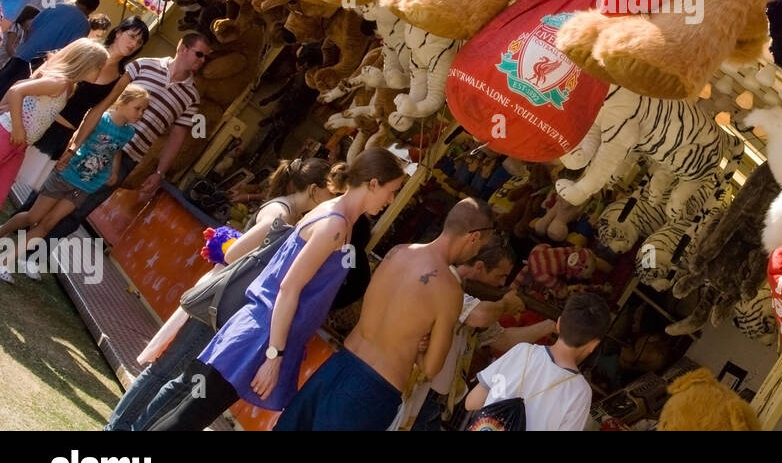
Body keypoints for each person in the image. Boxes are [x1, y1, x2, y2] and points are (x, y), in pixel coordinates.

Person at [144, 148, 406, 431]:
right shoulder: (334, 224)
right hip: (260, 335)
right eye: (392, 191)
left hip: (260, 333)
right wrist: (274, 355)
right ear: (374, 183)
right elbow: (288, 288)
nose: (391, 200)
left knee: (191, 414)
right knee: (189, 417)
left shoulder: (338, 219)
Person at [106, 157, 334, 431]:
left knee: (181, 379)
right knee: (169, 372)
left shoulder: (290, 215)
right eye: (329, 192)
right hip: (221, 303)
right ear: (313, 189)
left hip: (226, 305)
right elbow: (233, 252)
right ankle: (119, 427)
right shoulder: (281, 215)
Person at [273, 197, 496, 431]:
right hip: (373, 390)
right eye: (478, 248)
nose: (475, 252)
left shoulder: (397, 252)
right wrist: (417, 347)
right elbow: (431, 368)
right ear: (474, 237)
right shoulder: (449, 290)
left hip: (338, 364)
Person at [59, 32, 208, 234]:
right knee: (59, 187)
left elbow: (177, 136)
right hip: (101, 138)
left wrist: (159, 173)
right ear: (183, 49)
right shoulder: (144, 65)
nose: (202, 60)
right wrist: (83, 131)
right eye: (199, 54)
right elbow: (110, 98)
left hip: (130, 156)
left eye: (205, 56)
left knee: (82, 208)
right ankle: (22, 230)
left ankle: (37, 249)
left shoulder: (192, 96)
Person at [402, 240, 558, 431]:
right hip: (412, 389)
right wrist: (505, 305)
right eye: (500, 276)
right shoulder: (448, 284)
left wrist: (549, 326)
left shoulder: (476, 302)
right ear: (479, 267)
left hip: (433, 400)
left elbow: (504, 339)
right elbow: (480, 316)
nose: (502, 284)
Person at [0, 85, 148, 282]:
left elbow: (115, 150)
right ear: (122, 103)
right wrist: (65, 155)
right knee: (33, 216)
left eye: (143, 110)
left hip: (86, 185)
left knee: (48, 224)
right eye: (138, 108)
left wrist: (113, 170)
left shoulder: (128, 132)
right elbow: (78, 135)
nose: (141, 114)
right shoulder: (99, 119)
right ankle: (2, 231)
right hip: (65, 175)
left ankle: (5, 262)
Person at [14, 16, 149, 212]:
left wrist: (74, 147)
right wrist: (15, 101)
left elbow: (96, 113)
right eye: (131, 36)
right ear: (119, 32)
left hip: (62, 132)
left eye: (139, 42)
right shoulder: (87, 46)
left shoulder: (122, 77)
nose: (133, 44)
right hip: (35, 114)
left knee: (22, 177)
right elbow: (48, 69)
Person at [463, 291, 610, 432]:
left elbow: (472, 402)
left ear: (559, 324)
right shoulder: (579, 392)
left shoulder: (523, 351)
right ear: (593, 345)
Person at [0, 38, 109, 207]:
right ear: (86, 63)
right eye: (99, 67)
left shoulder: (68, 87)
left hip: (20, 144)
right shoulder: (59, 83)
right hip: (8, 134)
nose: (100, 72)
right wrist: (17, 125)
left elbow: (32, 97)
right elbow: (17, 90)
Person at [0, 0, 99, 94]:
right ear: (92, 10)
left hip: (24, 51)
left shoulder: (56, 6)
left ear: (78, 0)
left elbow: (30, 27)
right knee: (15, 93)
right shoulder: (84, 26)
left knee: (3, 82)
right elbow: (71, 51)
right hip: (41, 65)